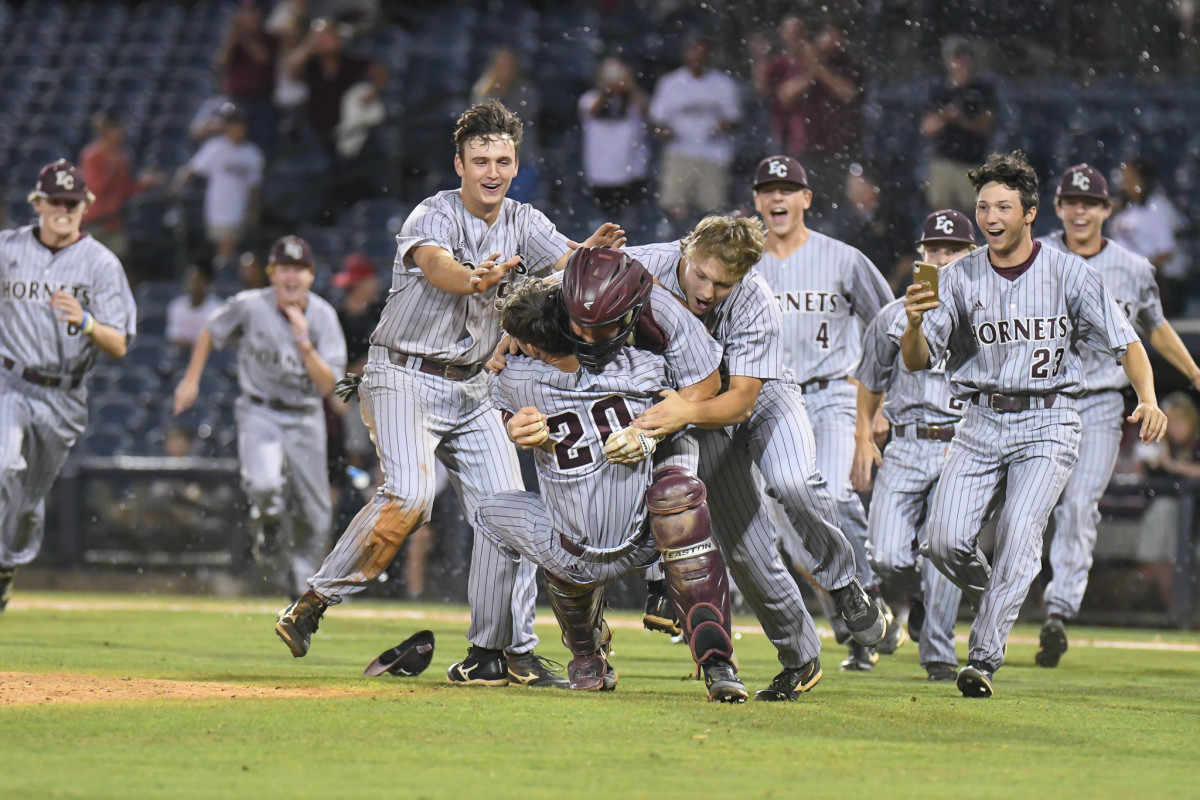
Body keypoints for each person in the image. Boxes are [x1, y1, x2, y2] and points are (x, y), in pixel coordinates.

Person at [273, 100, 623, 688]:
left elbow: (569, 268)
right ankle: (314, 601)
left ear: (515, 165)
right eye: (480, 159)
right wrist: (477, 278)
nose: (492, 170)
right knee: (410, 497)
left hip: (475, 386)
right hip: (403, 374)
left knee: (508, 516)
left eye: (503, 160)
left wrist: (587, 259)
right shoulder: (430, 214)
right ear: (458, 163)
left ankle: (502, 653)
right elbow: (439, 268)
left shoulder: (524, 220)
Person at [899, 150, 1168, 698]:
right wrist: (913, 322)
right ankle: (1000, 594)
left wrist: (1149, 396)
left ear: (1029, 212)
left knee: (1021, 536)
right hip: (979, 420)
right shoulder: (957, 276)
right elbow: (918, 359)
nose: (991, 216)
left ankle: (984, 657)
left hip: (1049, 420)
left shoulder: (1070, 271)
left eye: (1003, 205)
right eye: (982, 206)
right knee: (943, 541)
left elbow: (1128, 341)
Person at [624, 216, 888, 681]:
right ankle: (800, 659)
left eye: (722, 283)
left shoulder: (756, 299)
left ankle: (845, 583)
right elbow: (568, 278)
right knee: (747, 552)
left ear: (742, 276)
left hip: (762, 400)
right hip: (696, 409)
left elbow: (742, 401)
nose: (706, 291)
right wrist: (513, 333)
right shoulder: (645, 265)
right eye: (700, 275)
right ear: (686, 252)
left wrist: (682, 412)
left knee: (794, 482)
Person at [478, 276, 746, 700]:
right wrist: (652, 434)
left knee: (492, 511)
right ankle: (713, 656)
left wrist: (509, 422)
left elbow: (491, 389)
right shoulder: (641, 366)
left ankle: (582, 654)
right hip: (645, 539)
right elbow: (698, 395)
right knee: (678, 494)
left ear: (529, 344)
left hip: (570, 556)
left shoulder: (516, 379)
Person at [1034, 164, 1200, 667]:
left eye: (1091, 203)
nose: (1080, 210)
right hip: (1037, 402)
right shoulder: (1033, 256)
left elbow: (1156, 326)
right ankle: (970, 598)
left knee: (1080, 504)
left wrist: (1194, 372)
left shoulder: (1132, 267)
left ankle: (1057, 610)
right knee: (1022, 509)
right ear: (1058, 207)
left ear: (1108, 210)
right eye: (1072, 201)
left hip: (1103, 403)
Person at [750, 155, 896, 671]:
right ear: (755, 202)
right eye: (767, 190)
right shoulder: (743, 263)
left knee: (830, 497)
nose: (777, 198)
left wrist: (880, 406)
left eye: (787, 189)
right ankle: (854, 616)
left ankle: (867, 595)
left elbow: (890, 325)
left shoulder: (844, 259)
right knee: (790, 526)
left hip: (833, 394)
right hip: (766, 403)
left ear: (806, 199)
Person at [174, 236, 346, 595]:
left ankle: (299, 587)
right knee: (265, 486)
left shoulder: (323, 317)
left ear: (311, 275)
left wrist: (304, 342)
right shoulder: (251, 306)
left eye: (299, 269)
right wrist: (191, 380)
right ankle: (267, 521)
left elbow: (328, 383)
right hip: (259, 410)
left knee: (316, 514)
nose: (291, 277)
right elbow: (210, 329)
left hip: (304, 416)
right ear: (271, 273)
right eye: (284, 268)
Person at [0, 160, 136, 613]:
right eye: (55, 201)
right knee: (2, 465)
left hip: (63, 396)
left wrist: (87, 321)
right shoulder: (8, 249)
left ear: (86, 206)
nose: (64, 209)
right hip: (9, 381)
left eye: (72, 202)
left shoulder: (100, 264)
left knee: (29, 501)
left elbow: (118, 342)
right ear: (37, 204)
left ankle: (6, 565)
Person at [850, 208, 977, 682]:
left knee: (941, 548)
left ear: (973, 254)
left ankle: (939, 655)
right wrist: (864, 435)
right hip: (904, 444)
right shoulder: (889, 316)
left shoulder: (984, 316)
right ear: (922, 254)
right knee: (884, 554)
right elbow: (869, 381)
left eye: (954, 249)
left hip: (963, 441)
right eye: (935, 249)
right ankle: (921, 597)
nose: (942, 258)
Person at [753, 15, 865, 209]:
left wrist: (818, 68)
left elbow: (848, 92)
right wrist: (812, 69)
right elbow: (785, 95)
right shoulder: (794, 64)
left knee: (840, 207)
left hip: (840, 146)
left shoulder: (847, 66)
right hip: (802, 147)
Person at [648, 35, 741, 235]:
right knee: (675, 208)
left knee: (712, 210)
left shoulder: (722, 84)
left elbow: (733, 119)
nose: (697, 56)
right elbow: (656, 120)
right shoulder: (671, 83)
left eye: (701, 51)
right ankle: (677, 250)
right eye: (693, 50)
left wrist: (717, 128)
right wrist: (667, 133)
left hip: (713, 153)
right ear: (685, 54)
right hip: (680, 151)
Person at [174, 103, 265, 270]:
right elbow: (191, 170)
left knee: (235, 254)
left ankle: (223, 280)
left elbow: (255, 187)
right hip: (219, 209)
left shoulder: (252, 153)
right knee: (224, 251)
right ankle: (221, 280)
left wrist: (254, 212)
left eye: (237, 123)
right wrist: (177, 187)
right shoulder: (215, 147)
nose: (234, 128)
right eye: (230, 123)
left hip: (241, 209)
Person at [919, 35, 996, 213]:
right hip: (943, 160)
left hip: (971, 161)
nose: (959, 62)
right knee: (940, 214)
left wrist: (961, 120)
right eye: (954, 57)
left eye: (963, 57)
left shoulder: (981, 89)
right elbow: (927, 127)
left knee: (973, 215)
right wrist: (947, 115)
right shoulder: (938, 90)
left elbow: (986, 125)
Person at [1108, 157, 1191, 317]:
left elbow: (1166, 252)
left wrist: (1137, 272)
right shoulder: (1123, 208)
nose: (1124, 183)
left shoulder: (1156, 207)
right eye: (1124, 179)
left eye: (1130, 179)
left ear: (1143, 180)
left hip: (1149, 281)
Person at [79, 111, 161, 263]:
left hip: (114, 223)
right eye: (116, 130)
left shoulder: (122, 158)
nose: (121, 134)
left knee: (118, 266)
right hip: (94, 222)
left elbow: (125, 190)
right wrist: (112, 167)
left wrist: (145, 184)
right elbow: (96, 188)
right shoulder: (92, 156)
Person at [578, 56, 651, 225]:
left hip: (631, 172)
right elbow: (592, 110)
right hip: (601, 174)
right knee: (603, 226)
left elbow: (648, 111)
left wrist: (630, 85)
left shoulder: (634, 101)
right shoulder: (589, 99)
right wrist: (607, 88)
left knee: (630, 225)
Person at [471, 47, 542, 204]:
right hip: (492, 162)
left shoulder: (525, 91)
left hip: (521, 158)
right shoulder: (483, 91)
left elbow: (514, 121)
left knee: (517, 204)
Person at [215, 0, 279, 154]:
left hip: (260, 102)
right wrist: (233, 38)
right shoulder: (233, 41)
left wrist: (244, 37)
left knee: (262, 146)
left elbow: (262, 58)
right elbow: (221, 64)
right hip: (237, 101)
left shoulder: (268, 38)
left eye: (251, 13)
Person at [165, 264, 223, 349]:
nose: (194, 285)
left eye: (198, 281)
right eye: (191, 281)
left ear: (206, 283)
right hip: (180, 355)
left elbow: (218, 340)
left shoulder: (218, 308)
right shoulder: (176, 306)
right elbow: (172, 337)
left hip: (210, 356)